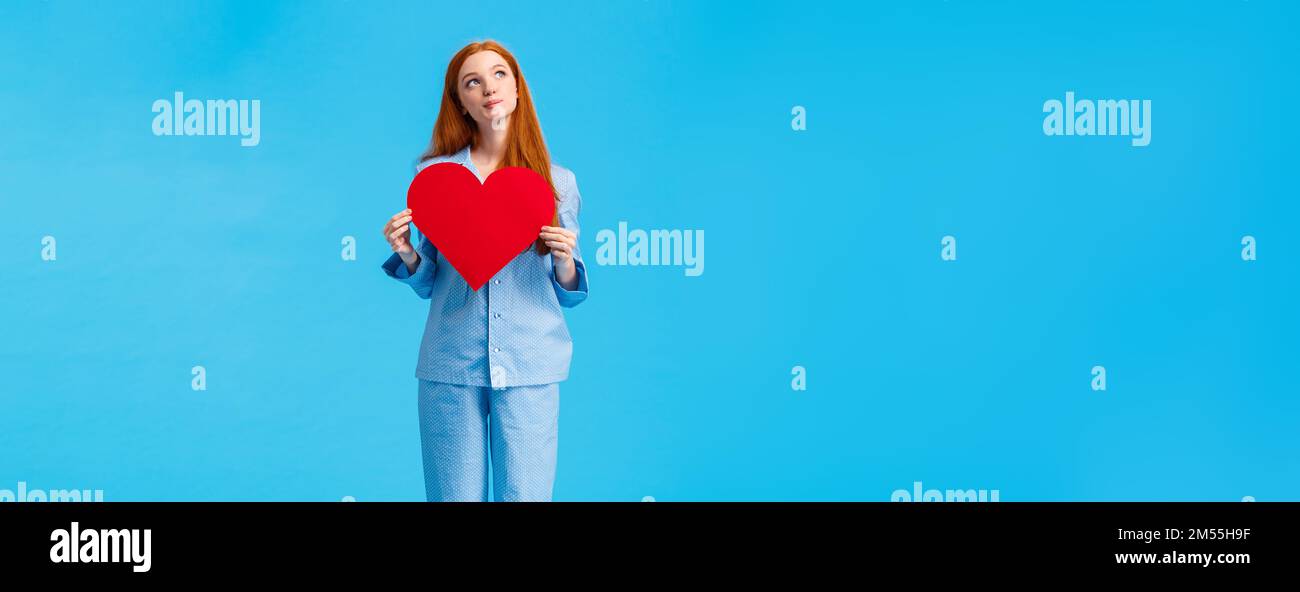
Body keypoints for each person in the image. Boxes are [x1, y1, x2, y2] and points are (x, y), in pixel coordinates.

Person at [380, 40, 589, 502]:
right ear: (461, 102)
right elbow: (431, 280)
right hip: (450, 363)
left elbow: (571, 291)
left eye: (498, 75)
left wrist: (562, 259)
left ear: (517, 88)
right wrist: (409, 254)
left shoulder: (558, 183)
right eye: (472, 82)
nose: (488, 88)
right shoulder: (433, 177)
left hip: (531, 362)